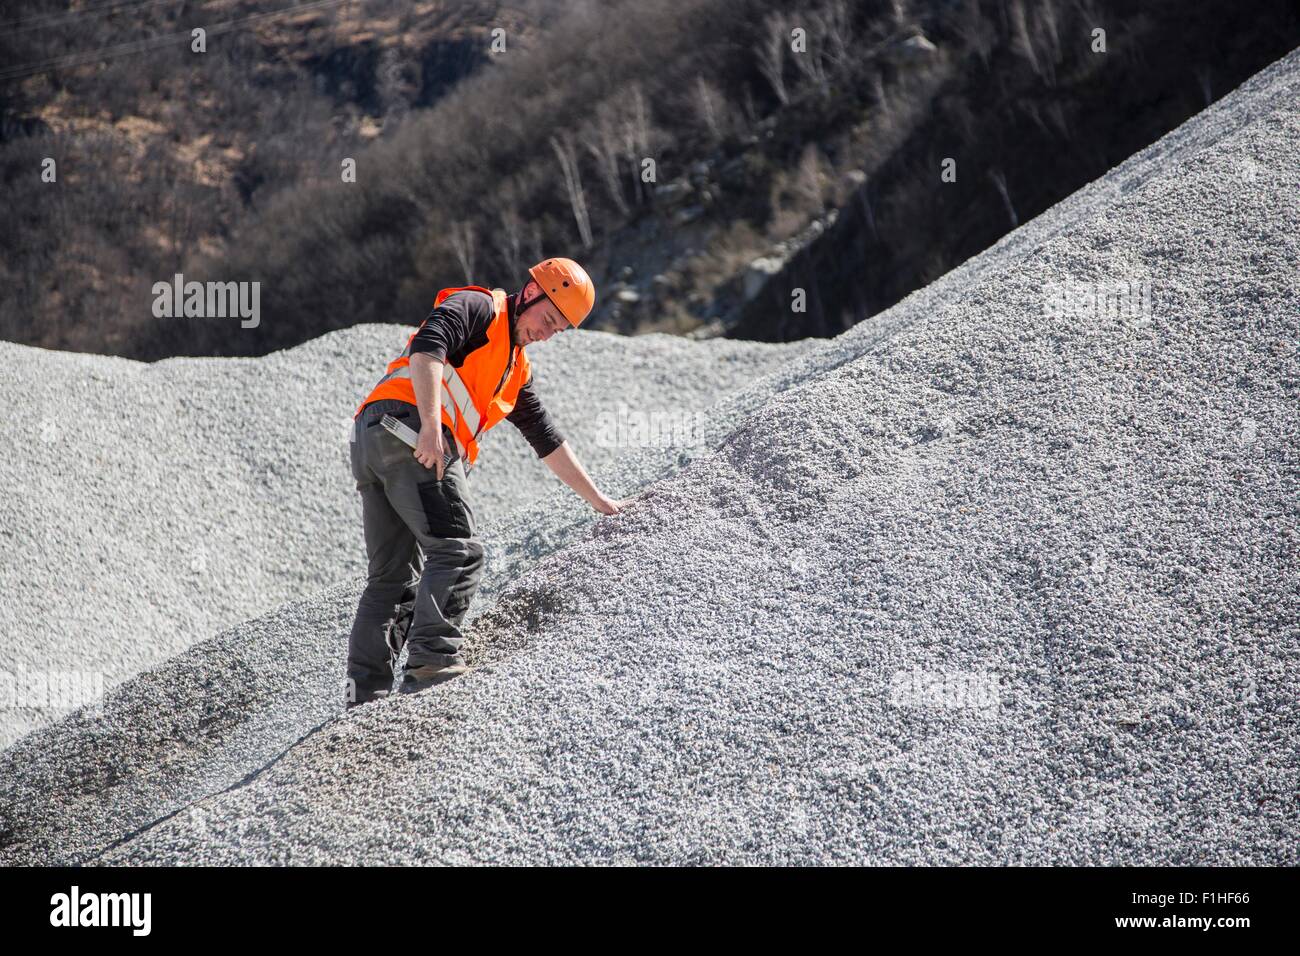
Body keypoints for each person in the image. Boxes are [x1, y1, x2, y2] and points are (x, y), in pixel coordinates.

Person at [345, 257, 627, 706]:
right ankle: (433, 664)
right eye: (548, 319)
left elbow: (546, 438)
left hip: (374, 438)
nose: (547, 332)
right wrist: (433, 428)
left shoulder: (515, 372)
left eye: (558, 329)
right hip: (412, 431)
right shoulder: (479, 308)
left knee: (392, 578)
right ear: (531, 293)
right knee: (459, 550)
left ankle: (365, 695)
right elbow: (426, 347)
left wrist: (598, 500)